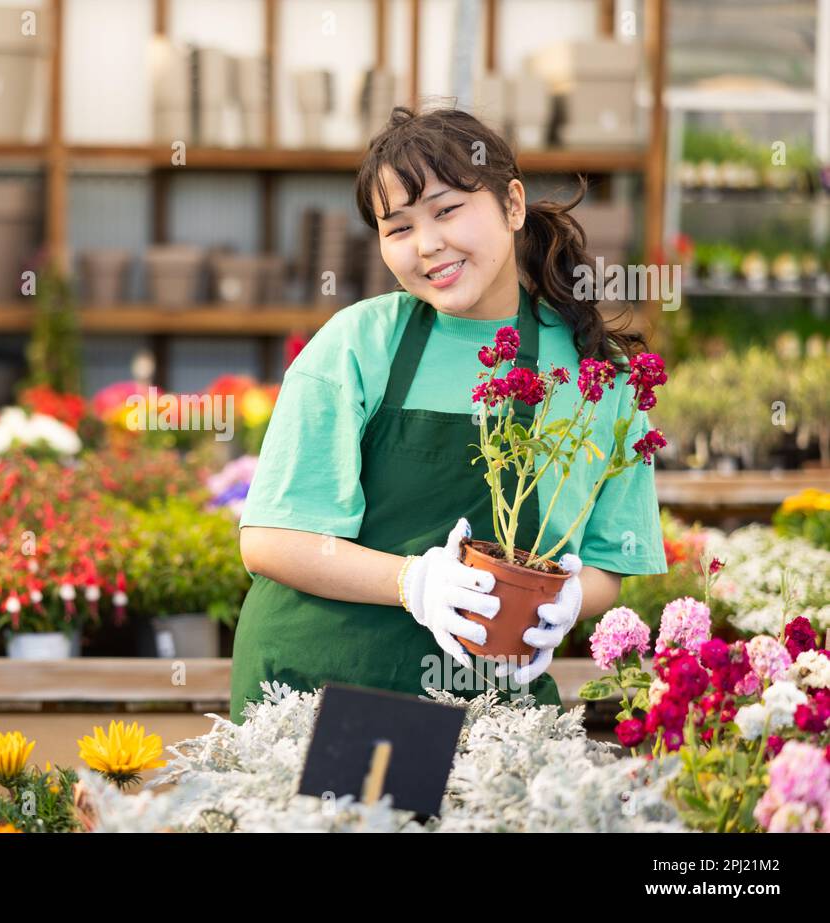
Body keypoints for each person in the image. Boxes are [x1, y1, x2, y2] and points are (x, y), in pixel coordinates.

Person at [228, 106, 669, 723]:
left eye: (446, 210)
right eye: (398, 227)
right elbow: (271, 542)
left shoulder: (601, 377)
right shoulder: (360, 343)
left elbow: (606, 565)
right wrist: (416, 583)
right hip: (316, 692)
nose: (427, 245)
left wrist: (568, 598)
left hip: (490, 713)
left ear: (512, 205)